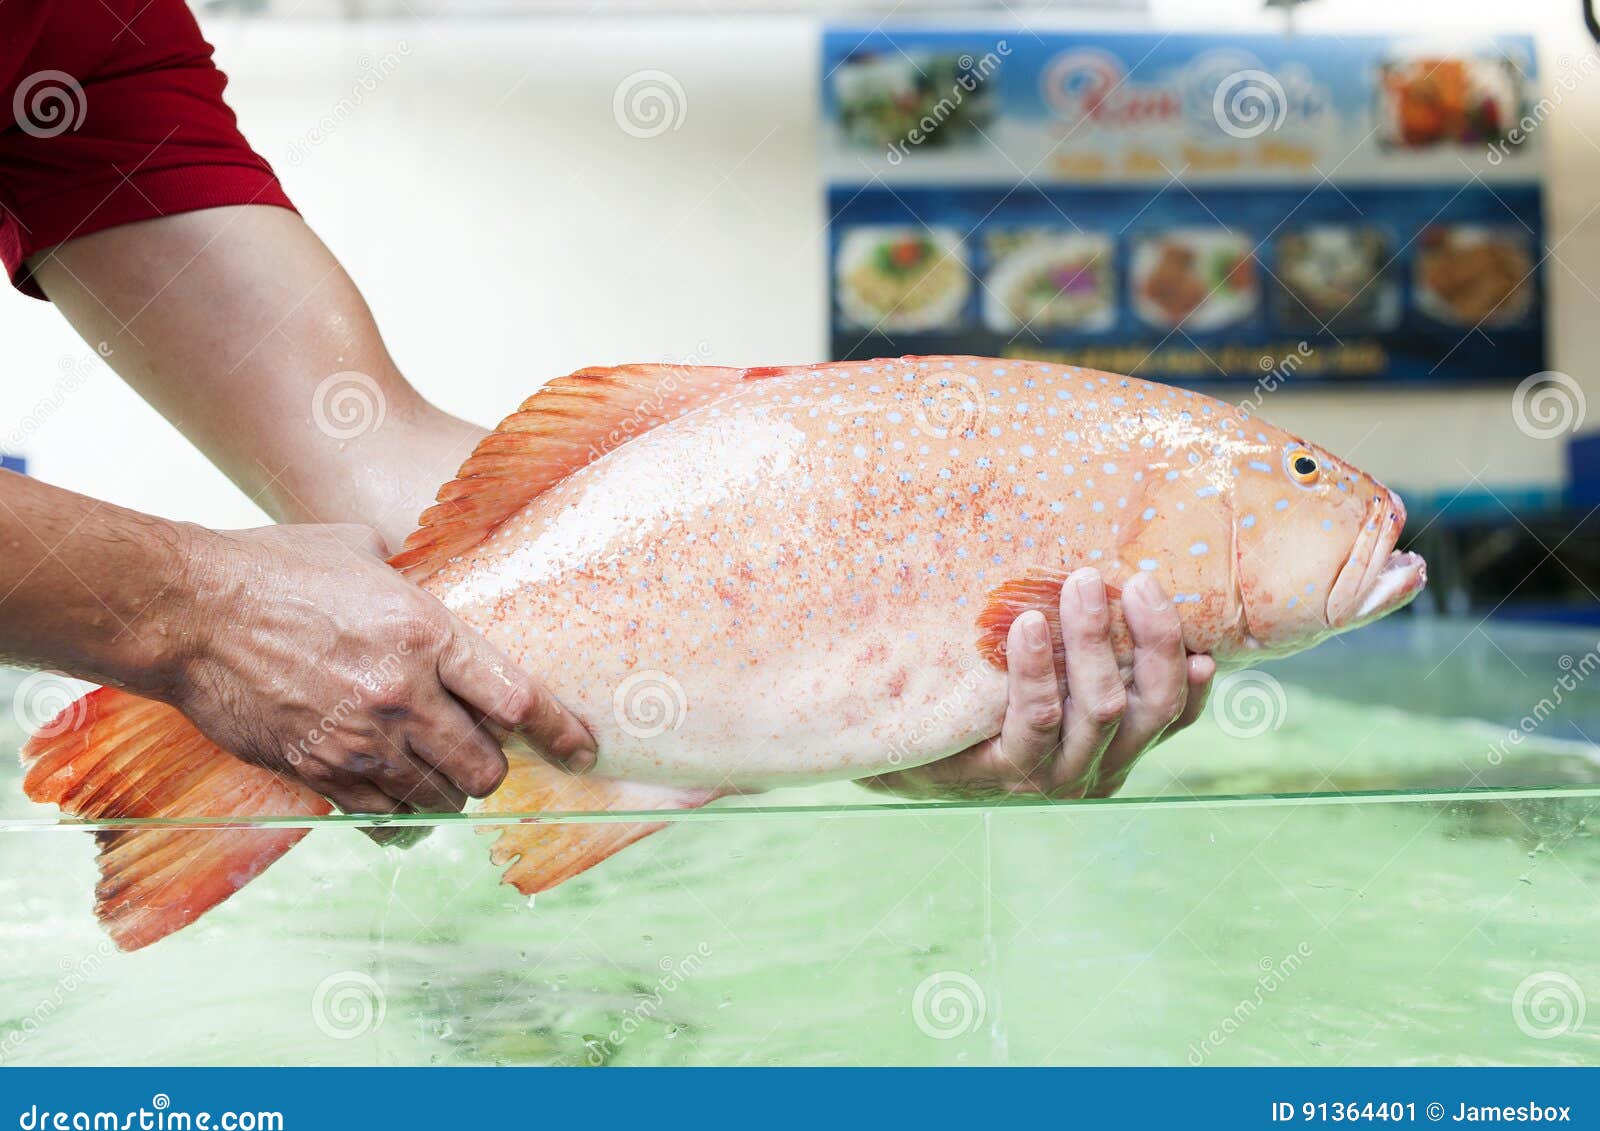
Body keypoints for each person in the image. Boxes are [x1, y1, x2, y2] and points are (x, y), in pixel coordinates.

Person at [0, 0, 1215, 828]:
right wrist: (193, 610)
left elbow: (367, 462)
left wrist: (846, 708)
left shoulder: (94, 30)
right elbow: (210, 604)